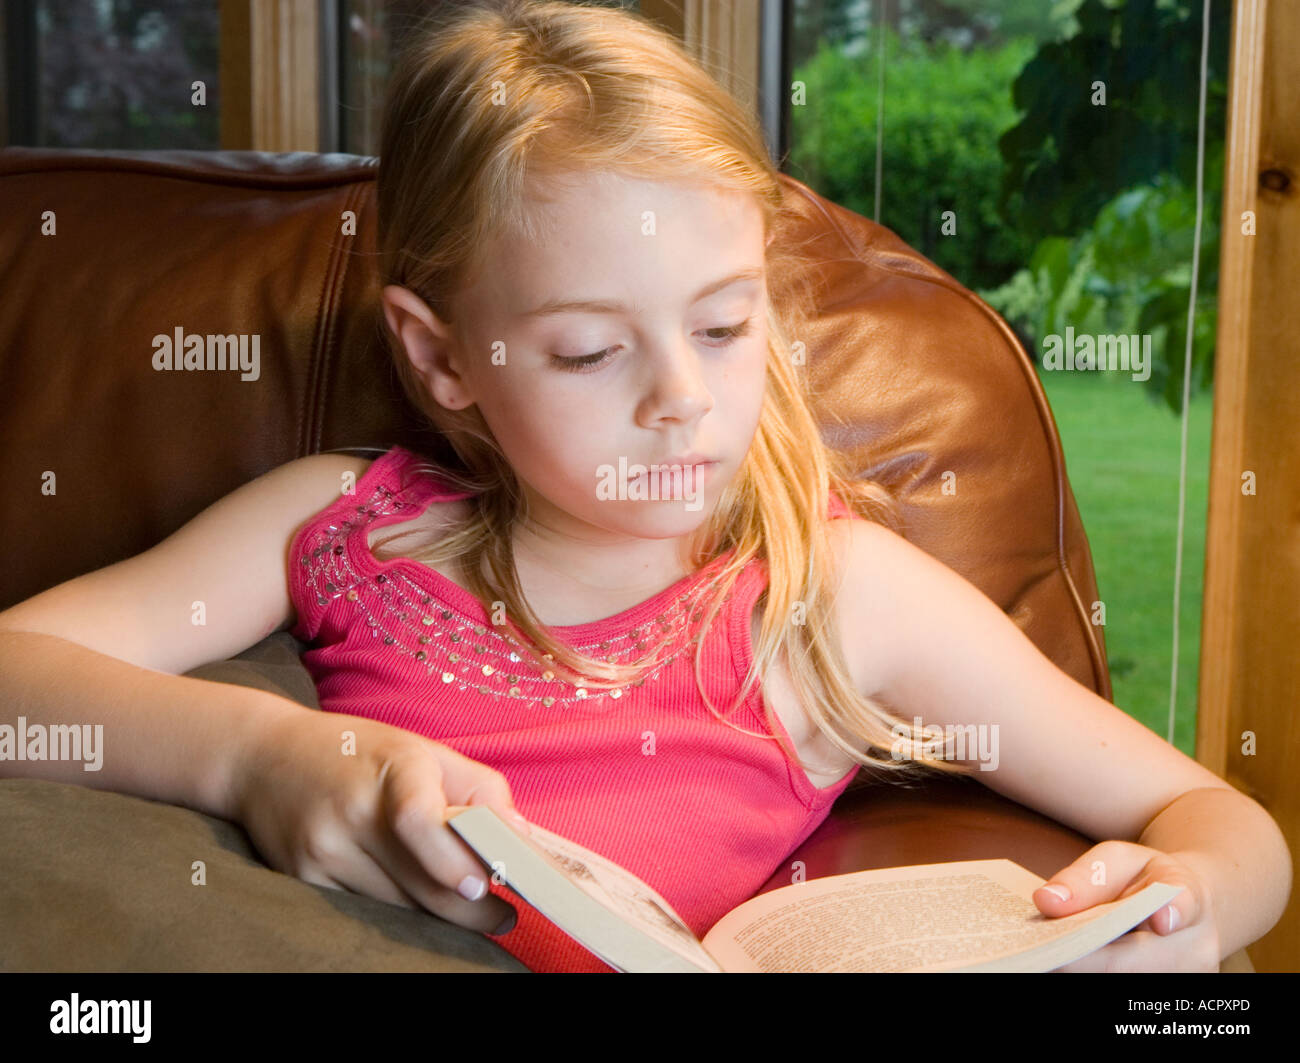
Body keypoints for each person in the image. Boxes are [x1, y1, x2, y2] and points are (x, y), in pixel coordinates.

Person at [0, 0, 1289, 975]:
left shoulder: (835, 595)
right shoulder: (340, 525)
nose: (681, 397)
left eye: (723, 330)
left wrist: (1188, 910)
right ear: (442, 356)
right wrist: (261, 755)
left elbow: (1224, 820)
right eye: (590, 350)